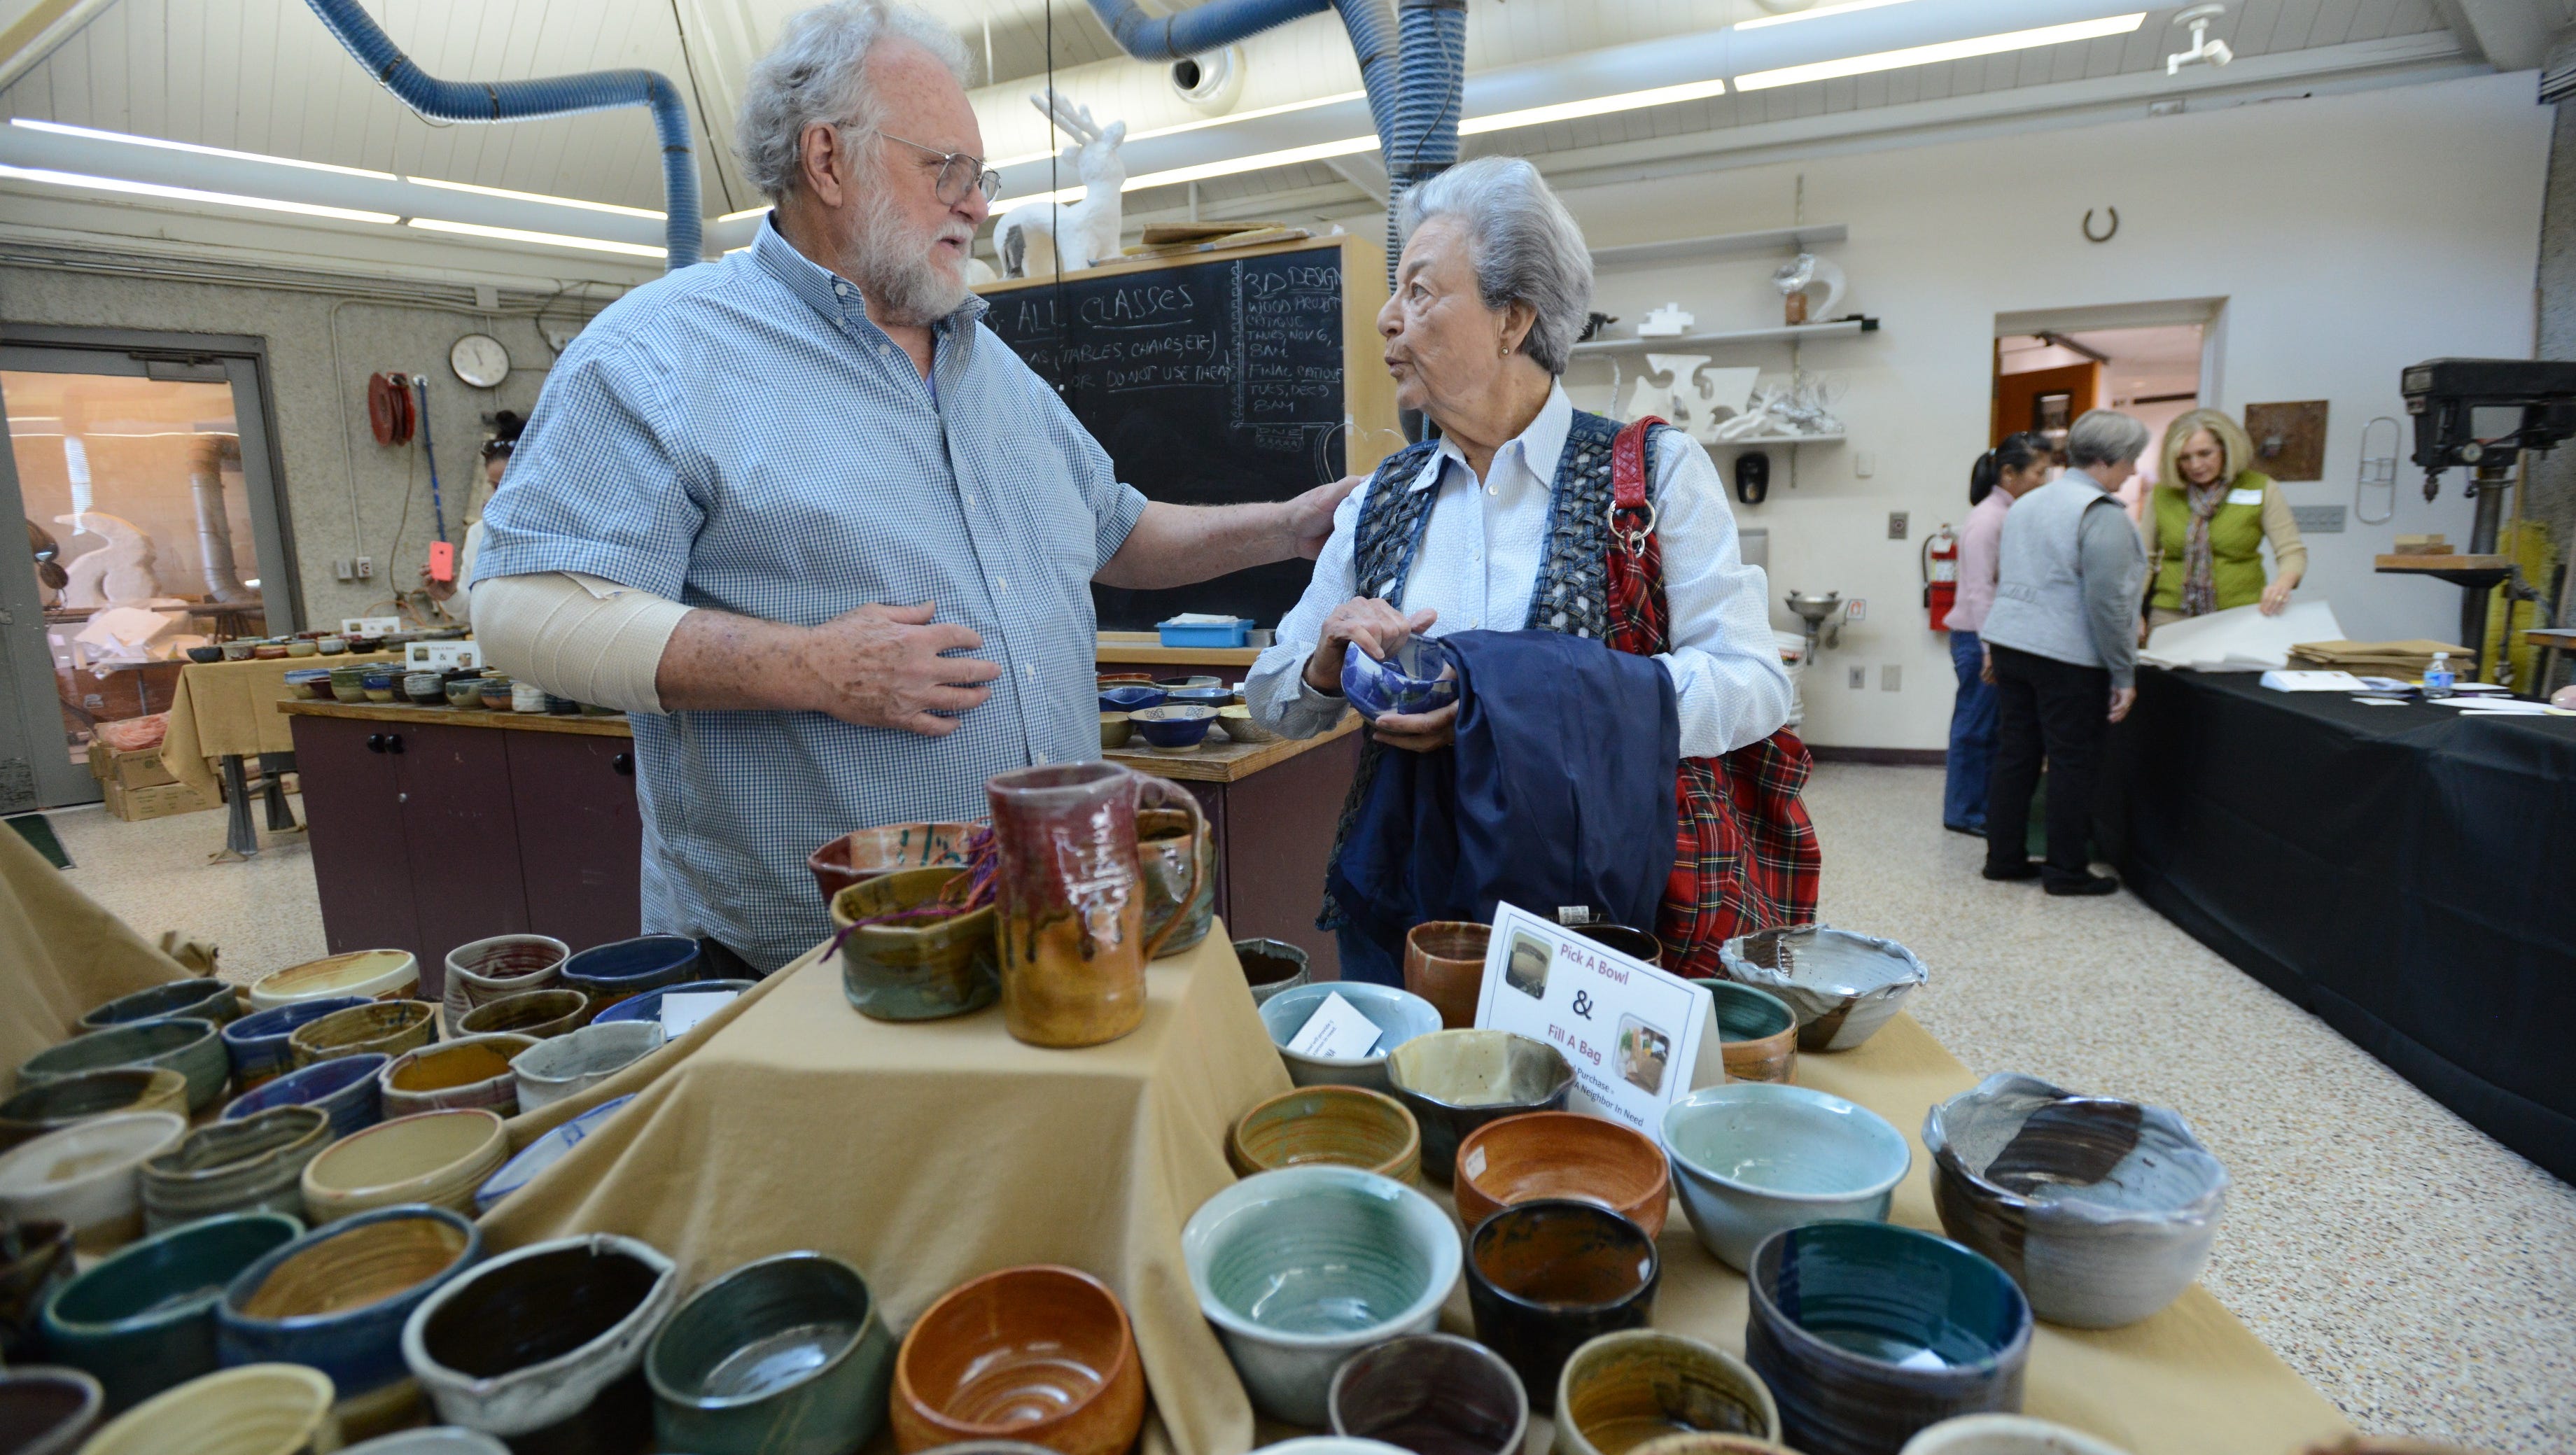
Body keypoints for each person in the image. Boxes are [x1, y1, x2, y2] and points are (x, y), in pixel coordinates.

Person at [469, 0, 1354, 976]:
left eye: (980, 179)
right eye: (947, 170)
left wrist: (1288, 525)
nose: (975, 206)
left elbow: (1115, 531)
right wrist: (809, 666)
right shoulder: (659, 355)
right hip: (818, 967)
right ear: (827, 160)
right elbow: (520, 609)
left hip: (1043, 924)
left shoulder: (990, 365)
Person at [1243, 155, 1807, 983]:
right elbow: (1269, 696)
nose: (1386, 318)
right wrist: (1326, 660)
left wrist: (1511, 705)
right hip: (1403, 914)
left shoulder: (1651, 474)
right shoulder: (1380, 500)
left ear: (1511, 320)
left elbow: (1753, 684)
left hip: (1586, 919)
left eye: (1418, 292)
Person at [1977, 409, 2150, 897]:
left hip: (2011, 643)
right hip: (2065, 653)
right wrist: (2124, 672)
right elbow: (2109, 602)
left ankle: (2003, 858)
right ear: (2107, 461)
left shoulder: (2028, 502)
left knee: (2016, 753)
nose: (2133, 471)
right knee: (2072, 761)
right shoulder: (2100, 513)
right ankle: (2066, 870)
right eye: (2130, 460)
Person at [1942, 431, 2053, 836]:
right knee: (1975, 729)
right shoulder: (1988, 519)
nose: (2044, 481)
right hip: (1979, 640)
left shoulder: (2010, 514)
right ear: (2009, 473)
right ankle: (1964, 813)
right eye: (2038, 473)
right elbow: (1980, 590)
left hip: (1991, 639)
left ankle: (1983, 809)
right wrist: (1991, 648)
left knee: (1990, 729)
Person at [2143, 407, 2307, 630]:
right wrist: (2133, 611)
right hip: (2171, 615)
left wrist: (2281, 586)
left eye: (2205, 454)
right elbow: (2143, 560)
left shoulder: (2261, 488)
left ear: (2226, 448)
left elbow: (2291, 552)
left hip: (2240, 614)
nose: (2195, 465)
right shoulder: (2162, 494)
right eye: (2185, 458)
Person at [416, 409, 522, 627]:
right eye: (495, 486)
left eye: (510, 485)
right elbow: (471, 611)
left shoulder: (566, 529)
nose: (500, 496)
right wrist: (450, 595)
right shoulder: (479, 533)